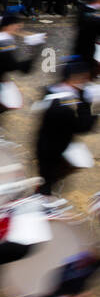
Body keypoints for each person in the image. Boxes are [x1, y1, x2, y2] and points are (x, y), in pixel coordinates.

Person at [35, 56, 97, 196]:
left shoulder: (52, 91)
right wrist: (91, 106)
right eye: (83, 79)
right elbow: (83, 127)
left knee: (47, 179)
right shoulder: (64, 106)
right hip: (54, 150)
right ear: (75, 78)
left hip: (46, 144)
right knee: (48, 183)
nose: (85, 82)